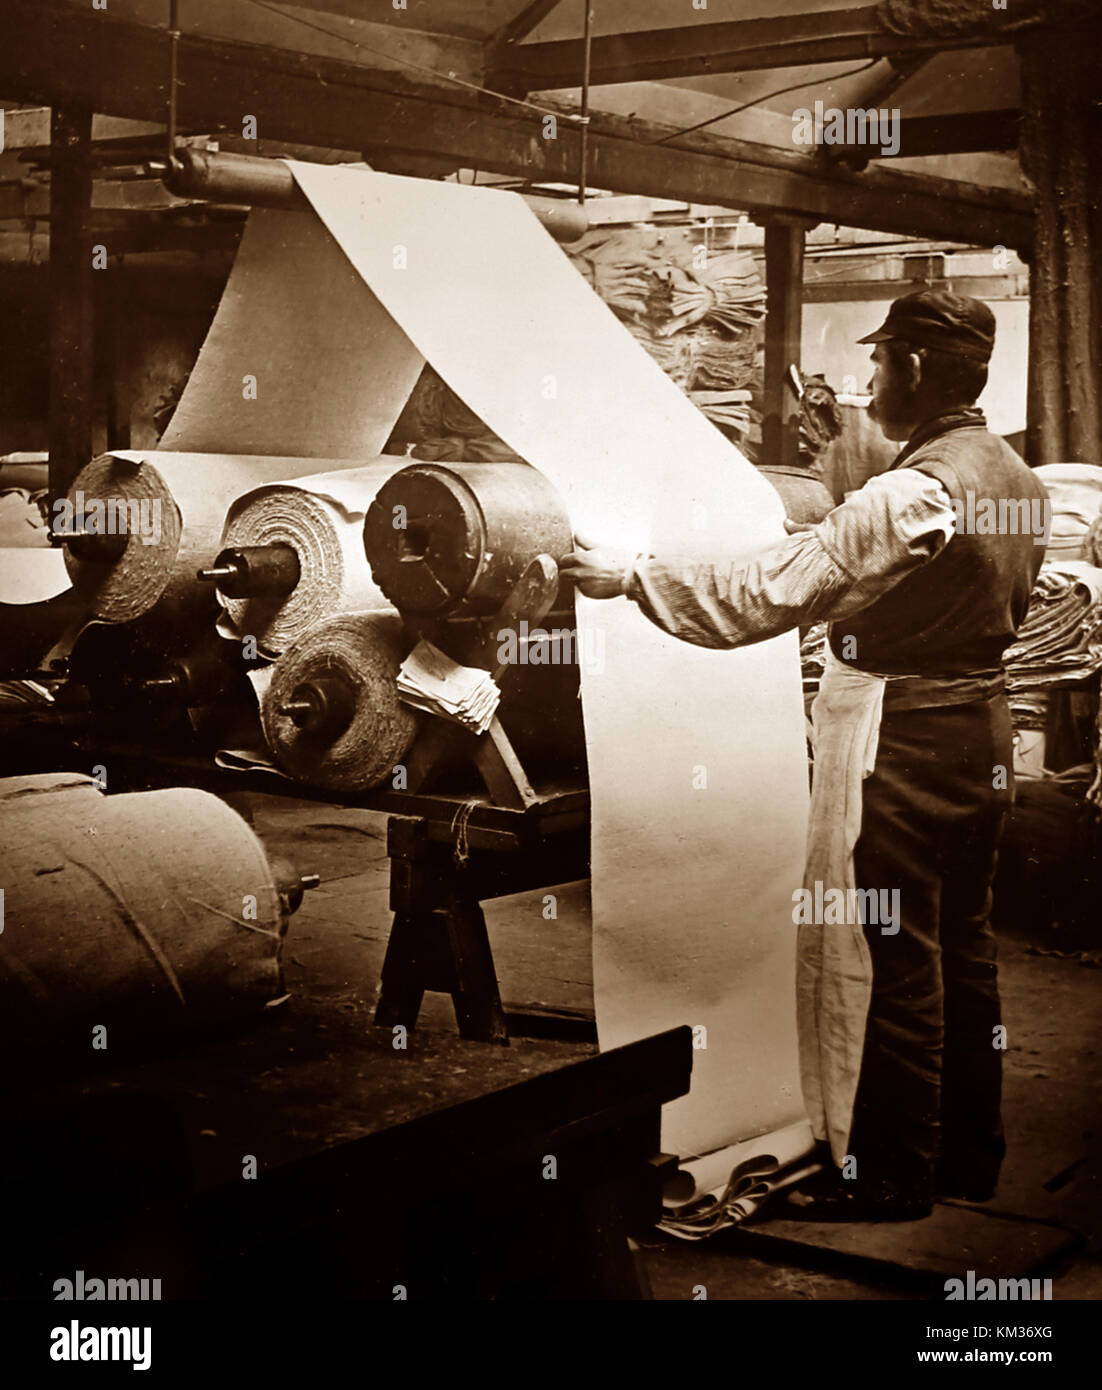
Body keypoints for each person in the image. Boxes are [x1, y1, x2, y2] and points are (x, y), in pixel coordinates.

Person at [560, 290, 1049, 1222]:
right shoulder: (1017, 478)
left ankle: (889, 1175)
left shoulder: (915, 487)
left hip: (897, 738)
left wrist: (632, 577)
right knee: (963, 945)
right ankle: (963, 1157)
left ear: (911, 368)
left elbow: (775, 590)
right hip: (978, 728)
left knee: (884, 949)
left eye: (879, 365)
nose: (866, 385)